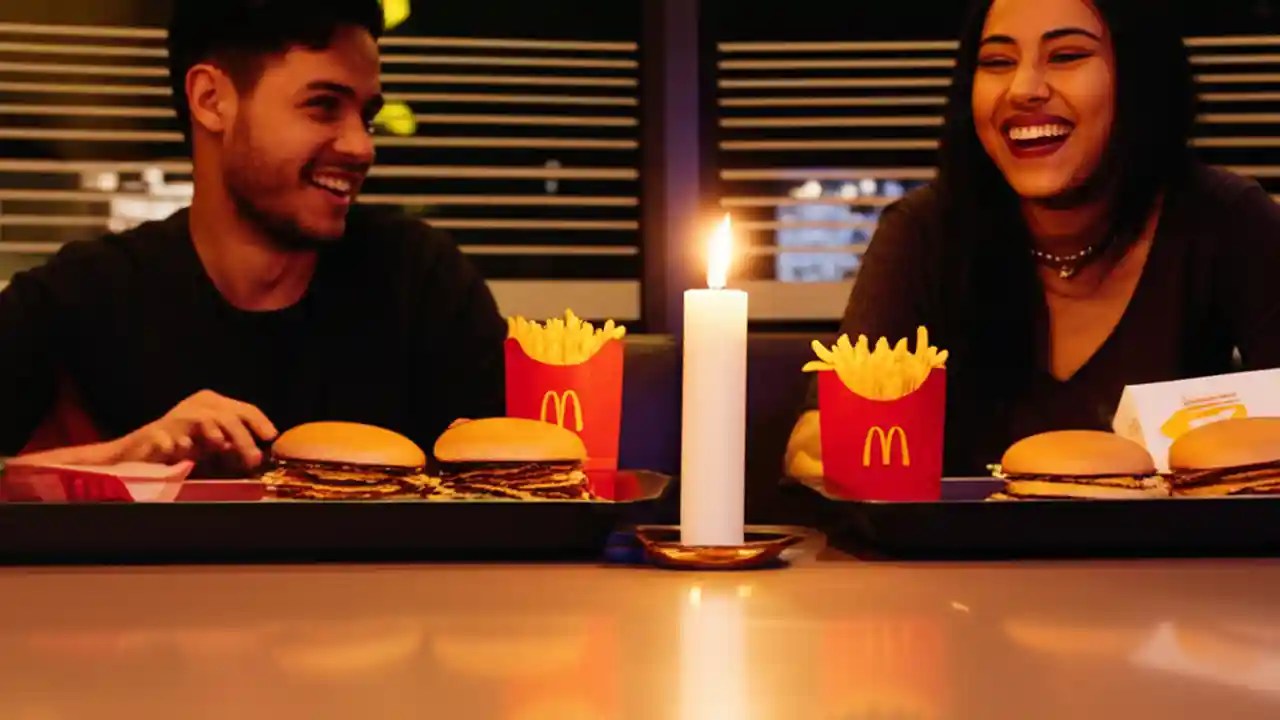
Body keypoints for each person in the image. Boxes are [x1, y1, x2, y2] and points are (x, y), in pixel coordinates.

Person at [0, 0, 506, 472]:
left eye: (366, 117)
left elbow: (521, 494)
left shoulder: (423, 283)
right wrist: (129, 457)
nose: (360, 147)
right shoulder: (85, 293)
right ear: (211, 100)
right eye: (323, 106)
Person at [787, 0, 1280, 478]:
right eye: (997, 62)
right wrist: (846, 460)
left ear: (1140, 78)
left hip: (1188, 560)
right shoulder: (925, 232)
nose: (1023, 89)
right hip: (956, 561)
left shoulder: (1225, 219)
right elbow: (813, 442)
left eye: (1066, 56)